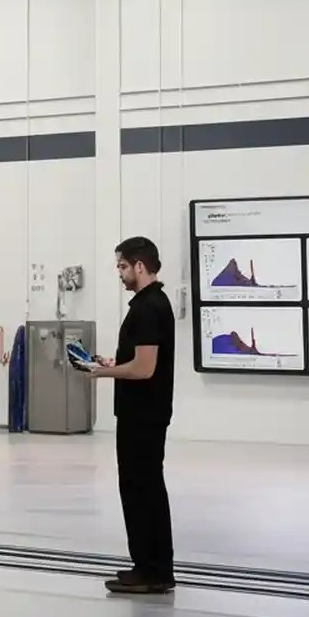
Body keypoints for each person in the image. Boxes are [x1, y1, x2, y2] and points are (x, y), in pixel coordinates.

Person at [88, 236, 176, 594]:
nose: (120, 274)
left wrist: (101, 373)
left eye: (123, 267)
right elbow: (139, 362)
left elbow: (143, 369)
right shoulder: (151, 303)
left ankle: (151, 570)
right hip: (146, 413)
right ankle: (153, 566)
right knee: (145, 489)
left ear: (140, 266)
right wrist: (113, 362)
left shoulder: (148, 308)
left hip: (143, 416)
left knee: (142, 490)